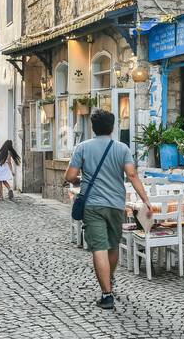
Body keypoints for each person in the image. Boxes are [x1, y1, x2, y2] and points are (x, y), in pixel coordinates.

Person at [64, 108, 151, 310]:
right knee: (112, 246)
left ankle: (106, 294)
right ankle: (109, 279)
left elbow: (69, 177)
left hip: (93, 205)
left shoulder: (83, 147)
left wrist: (82, 178)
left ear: (93, 128)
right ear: (112, 127)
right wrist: (145, 200)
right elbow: (132, 175)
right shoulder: (122, 149)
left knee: (99, 248)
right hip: (116, 205)